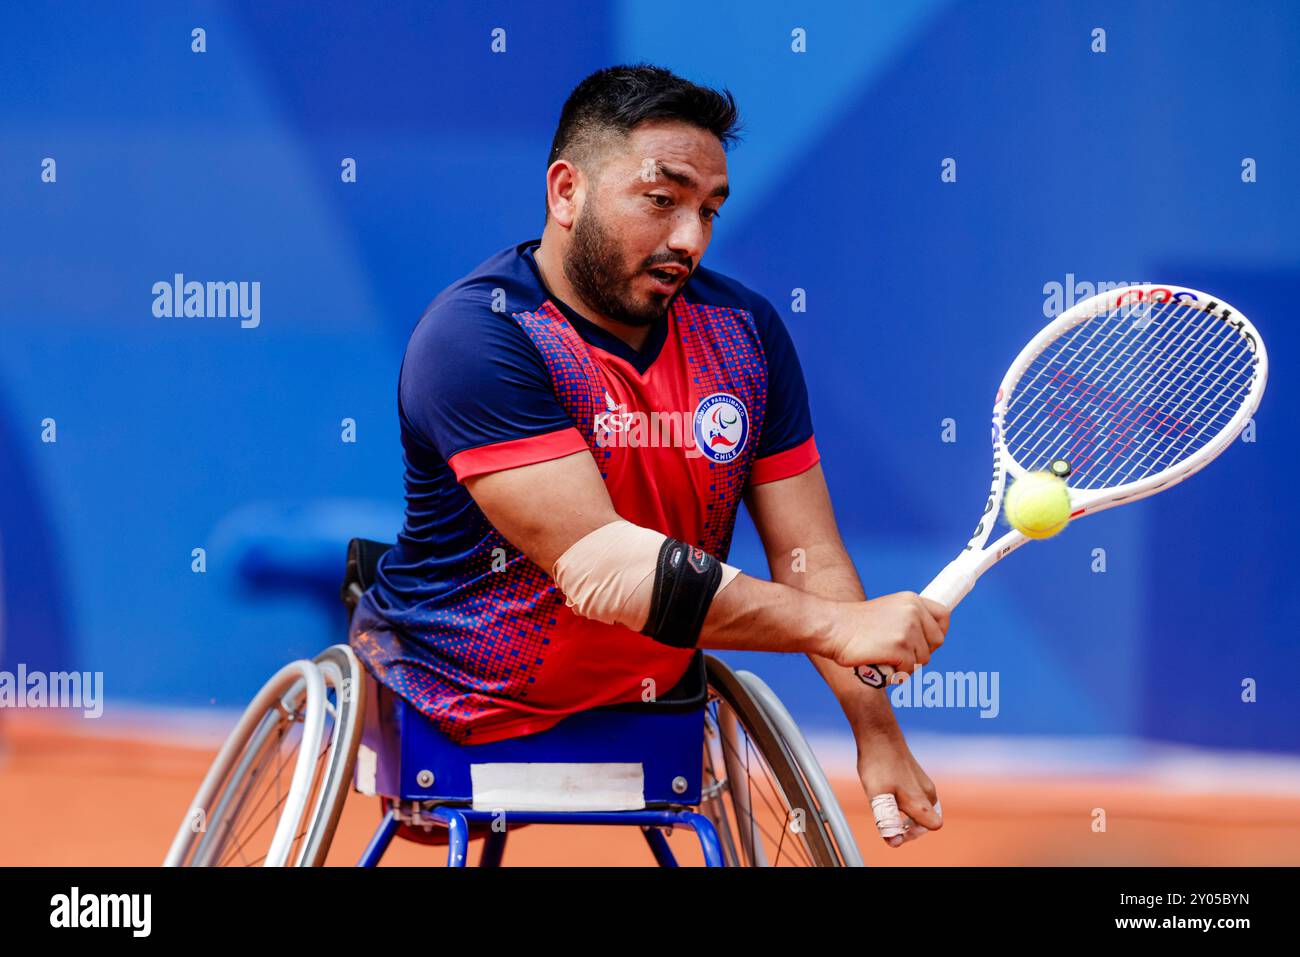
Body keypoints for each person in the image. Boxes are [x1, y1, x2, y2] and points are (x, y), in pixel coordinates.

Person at [351, 64, 950, 847]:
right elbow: (607, 568)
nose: (690, 238)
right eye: (663, 199)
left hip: (649, 700)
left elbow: (809, 553)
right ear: (566, 192)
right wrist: (837, 627)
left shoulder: (744, 333)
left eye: (709, 210)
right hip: (457, 698)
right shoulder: (478, 336)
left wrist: (877, 731)